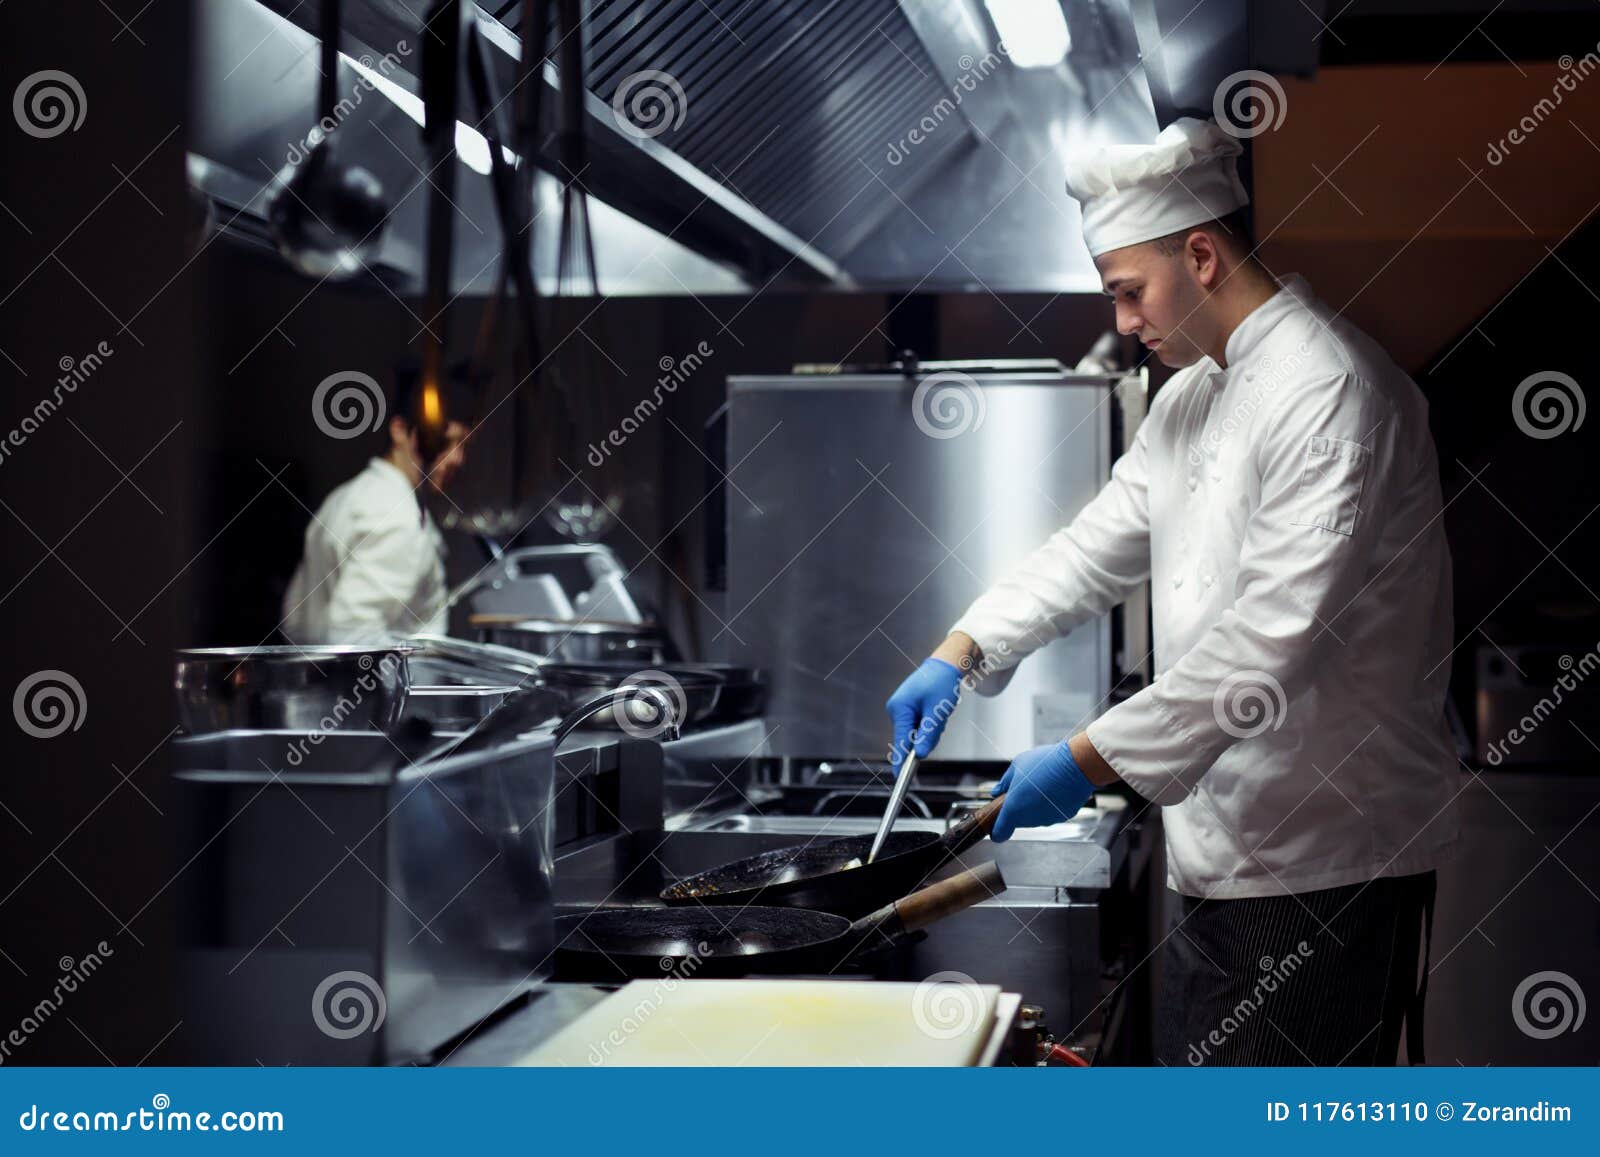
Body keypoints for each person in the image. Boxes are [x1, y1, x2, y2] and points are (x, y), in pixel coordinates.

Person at [886, 118, 1458, 1066]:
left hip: (1326, 857)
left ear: (1200, 255)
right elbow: (1096, 547)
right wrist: (964, 648)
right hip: (1215, 848)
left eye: (1128, 292)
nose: (1122, 322)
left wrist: (1081, 757)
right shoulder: (1192, 395)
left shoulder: (1331, 389)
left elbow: (1264, 646)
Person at [281, 364, 469, 644]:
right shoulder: (398, 517)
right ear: (400, 430)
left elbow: (294, 618)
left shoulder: (347, 495)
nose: (457, 458)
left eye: (464, 444)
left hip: (319, 682)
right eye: (445, 441)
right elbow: (354, 637)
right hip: (366, 686)